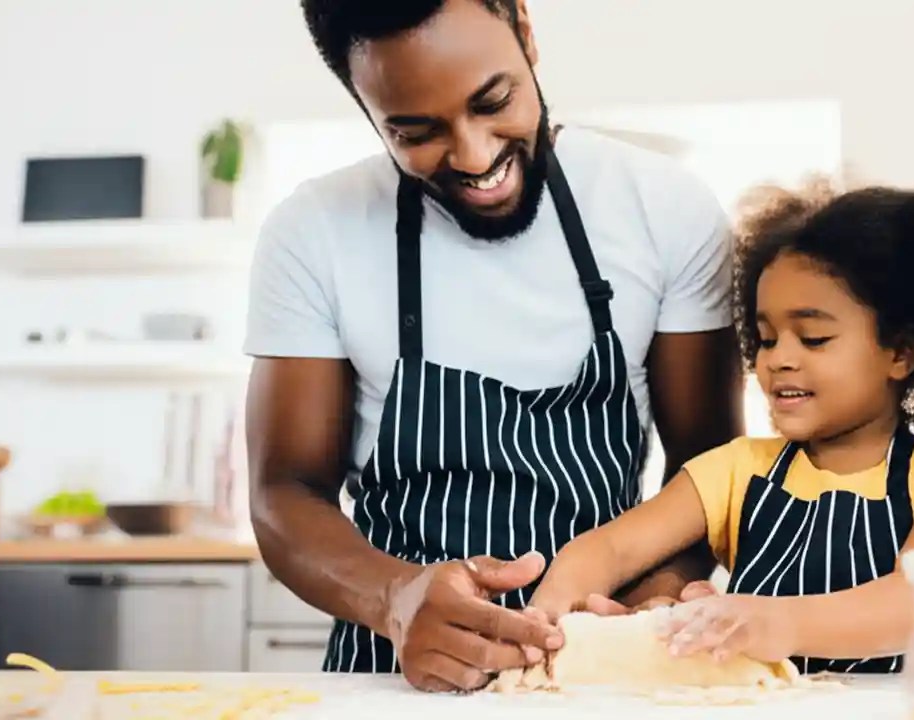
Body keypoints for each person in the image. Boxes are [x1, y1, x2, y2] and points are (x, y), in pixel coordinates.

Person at [243, 0, 742, 692]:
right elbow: (285, 492)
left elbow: (710, 469)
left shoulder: (664, 206)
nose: (476, 158)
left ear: (525, 32)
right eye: (415, 132)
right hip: (392, 675)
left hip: (596, 669)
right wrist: (393, 600)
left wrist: (646, 604)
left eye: (494, 100)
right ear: (364, 107)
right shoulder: (311, 232)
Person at [530, 171, 914, 673]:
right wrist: (556, 618)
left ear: (900, 352)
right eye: (766, 339)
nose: (778, 359)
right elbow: (608, 548)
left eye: (814, 337)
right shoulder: (735, 470)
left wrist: (775, 621)